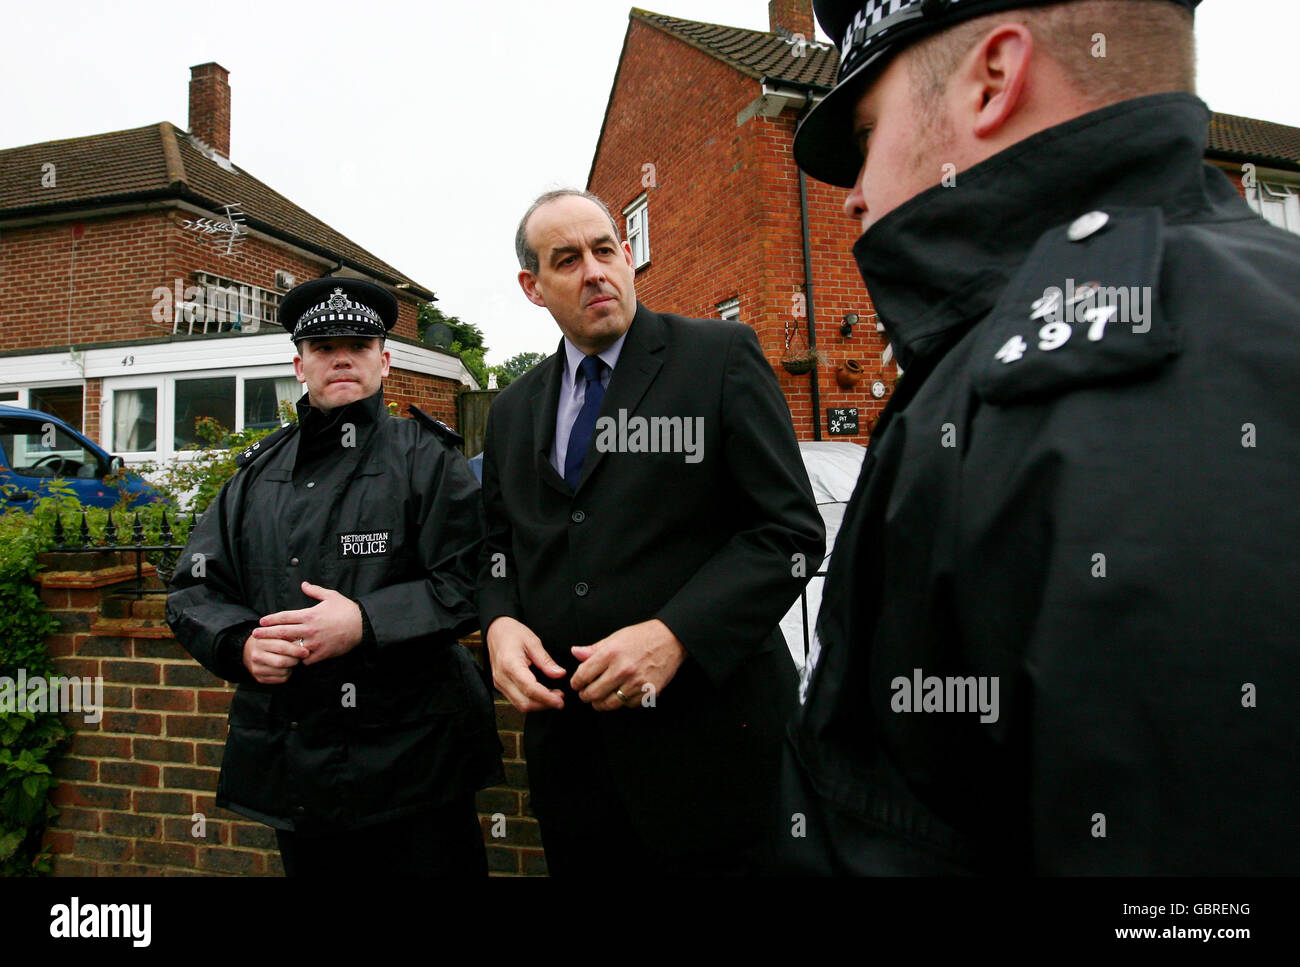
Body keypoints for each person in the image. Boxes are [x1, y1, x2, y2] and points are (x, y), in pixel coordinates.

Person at [781, 0, 1300, 875]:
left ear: (993, 80)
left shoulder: (1084, 382)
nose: (855, 193)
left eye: (867, 134)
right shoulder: (1247, 303)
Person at [479, 189, 825, 875]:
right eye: (567, 259)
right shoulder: (513, 409)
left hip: (719, 764)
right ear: (532, 286)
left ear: (628, 255)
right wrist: (498, 622)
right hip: (575, 775)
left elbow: (788, 533)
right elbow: (495, 545)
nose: (595, 271)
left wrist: (676, 635)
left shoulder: (720, 357)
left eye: (605, 249)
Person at [166, 277, 502, 877]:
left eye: (358, 343)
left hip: (418, 766)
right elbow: (194, 587)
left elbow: (473, 578)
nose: (340, 356)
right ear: (300, 365)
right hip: (299, 770)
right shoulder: (254, 476)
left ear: (385, 360)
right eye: (323, 347)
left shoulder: (427, 459)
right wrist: (238, 643)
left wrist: (365, 622)